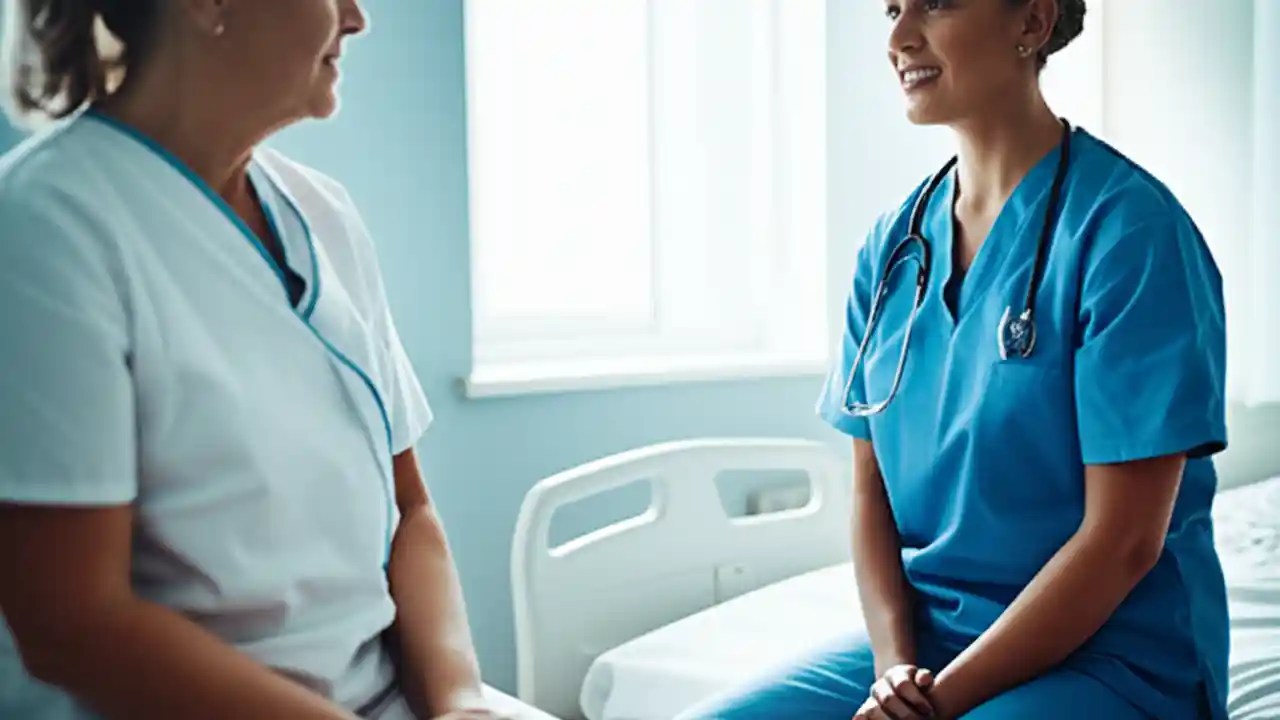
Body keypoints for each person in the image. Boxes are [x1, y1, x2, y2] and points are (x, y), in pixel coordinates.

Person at [679, 0, 1229, 718]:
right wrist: (895, 671)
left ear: (1031, 22)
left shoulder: (1131, 234)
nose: (899, 37)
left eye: (935, 4)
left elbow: (1123, 543)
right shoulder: (891, 247)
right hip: (932, 646)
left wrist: (941, 705)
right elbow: (870, 493)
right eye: (892, 8)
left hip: (1114, 657)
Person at [0, 2, 545, 718]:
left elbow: (410, 510)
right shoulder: (46, 226)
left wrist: (460, 702)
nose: (356, 19)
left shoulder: (323, 215)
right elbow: (72, 627)